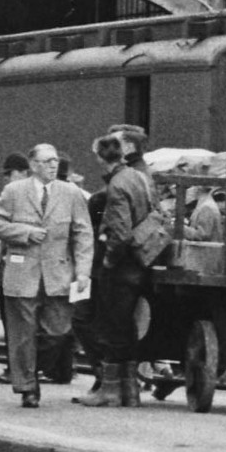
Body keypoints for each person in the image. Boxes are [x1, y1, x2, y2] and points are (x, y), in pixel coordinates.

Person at [0, 149, 92, 405]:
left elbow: (83, 233)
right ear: (33, 165)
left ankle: (37, 368)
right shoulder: (14, 191)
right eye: (47, 161)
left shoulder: (71, 193)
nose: (53, 165)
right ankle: (28, 386)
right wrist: (24, 232)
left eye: (55, 161)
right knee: (22, 334)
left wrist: (83, 271)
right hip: (22, 273)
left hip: (58, 274)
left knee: (59, 331)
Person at [78, 127, 156, 408]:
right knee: (126, 328)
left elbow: (120, 233)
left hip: (121, 269)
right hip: (141, 264)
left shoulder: (117, 186)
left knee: (113, 327)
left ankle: (110, 390)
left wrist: (109, 259)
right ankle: (130, 391)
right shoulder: (138, 177)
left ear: (101, 158)